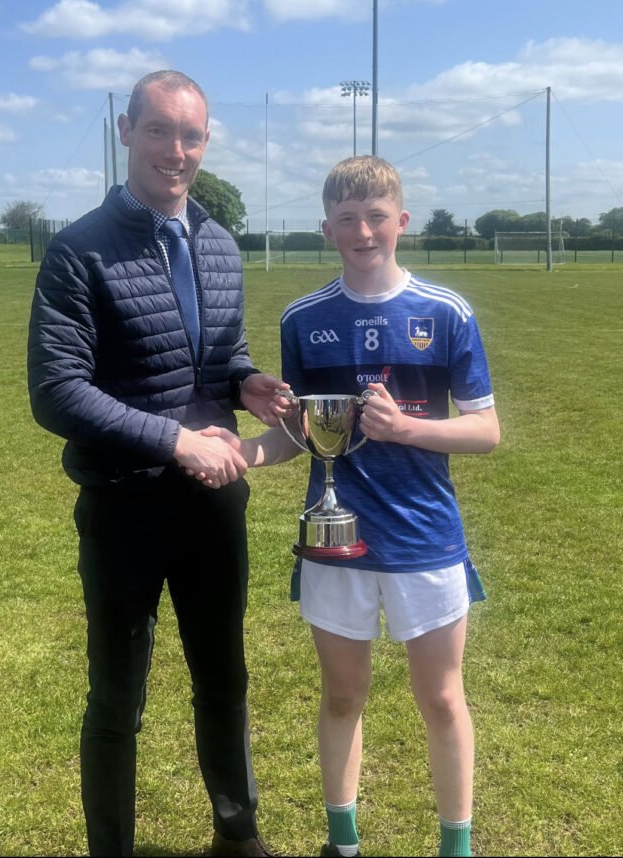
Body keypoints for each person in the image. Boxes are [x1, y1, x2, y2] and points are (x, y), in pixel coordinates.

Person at [27, 70, 290, 858]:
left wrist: (246, 382)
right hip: (124, 509)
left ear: (205, 142)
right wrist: (175, 441)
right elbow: (56, 393)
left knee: (226, 682)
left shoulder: (218, 244)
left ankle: (236, 835)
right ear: (127, 132)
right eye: (159, 132)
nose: (175, 152)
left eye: (191, 136)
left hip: (214, 507)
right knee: (117, 699)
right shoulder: (79, 251)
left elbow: (217, 359)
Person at [207, 155, 500, 857]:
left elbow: (486, 431)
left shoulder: (445, 312)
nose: (363, 231)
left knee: (440, 700)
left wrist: (408, 429)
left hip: (425, 539)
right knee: (342, 698)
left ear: (401, 222)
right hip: (335, 541)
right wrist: (247, 451)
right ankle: (342, 844)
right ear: (327, 230)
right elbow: (305, 434)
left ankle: (455, 849)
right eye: (347, 220)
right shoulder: (306, 319)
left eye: (376, 217)